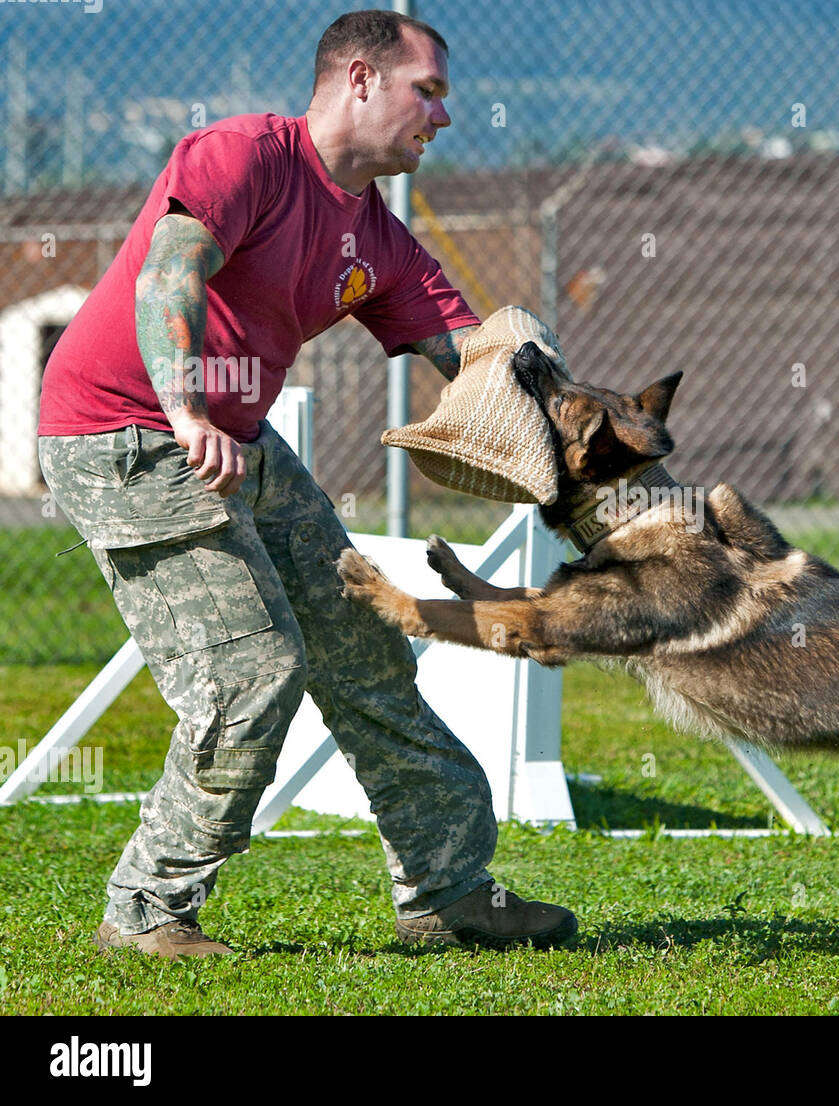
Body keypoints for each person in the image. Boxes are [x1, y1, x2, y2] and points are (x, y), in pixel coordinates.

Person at [37, 9, 576, 958]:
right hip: (124, 428)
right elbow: (170, 276)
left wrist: (573, 426)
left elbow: (479, 363)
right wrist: (190, 410)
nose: (443, 118)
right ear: (362, 80)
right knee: (252, 671)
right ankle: (147, 910)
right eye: (430, 92)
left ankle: (447, 893)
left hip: (233, 433)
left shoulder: (378, 237)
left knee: (368, 643)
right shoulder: (242, 155)